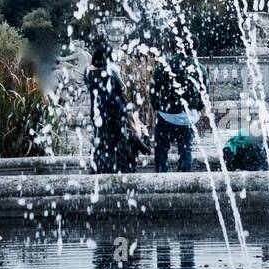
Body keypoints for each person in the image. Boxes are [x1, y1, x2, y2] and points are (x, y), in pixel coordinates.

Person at [85, 38, 150, 173]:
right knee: (120, 135)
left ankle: (100, 164)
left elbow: (89, 86)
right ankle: (122, 163)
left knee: (101, 135)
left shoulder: (88, 71)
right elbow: (122, 88)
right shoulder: (111, 70)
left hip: (97, 109)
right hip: (116, 108)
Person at [151, 52, 203, 173]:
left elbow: (153, 88)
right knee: (185, 151)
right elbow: (204, 94)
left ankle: (161, 177)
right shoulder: (199, 68)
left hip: (166, 115)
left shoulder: (164, 65)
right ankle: (184, 179)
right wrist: (196, 109)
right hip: (187, 117)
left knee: (161, 150)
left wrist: (156, 106)